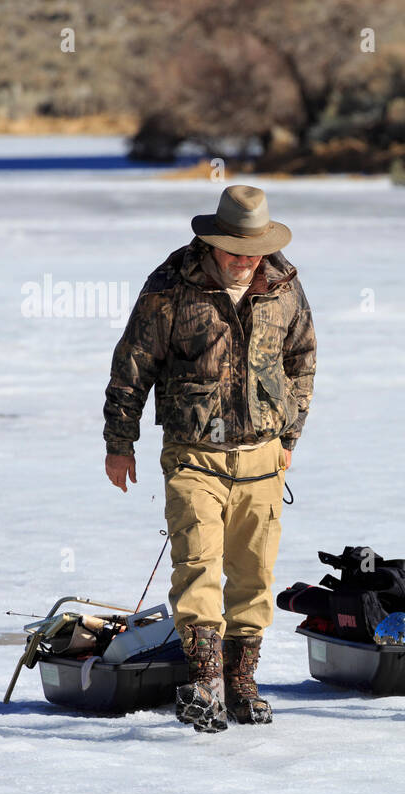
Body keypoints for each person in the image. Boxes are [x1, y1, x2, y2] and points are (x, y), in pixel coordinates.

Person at [103, 185, 316, 733]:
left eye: (253, 249)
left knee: (254, 574)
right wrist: (119, 442)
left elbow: (302, 357)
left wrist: (289, 434)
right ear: (214, 242)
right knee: (198, 564)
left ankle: (242, 683)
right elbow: (133, 364)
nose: (245, 260)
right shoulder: (172, 285)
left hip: (263, 456)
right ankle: (205, 682)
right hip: (194, 452)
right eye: (234, 249)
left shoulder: (283, 286)